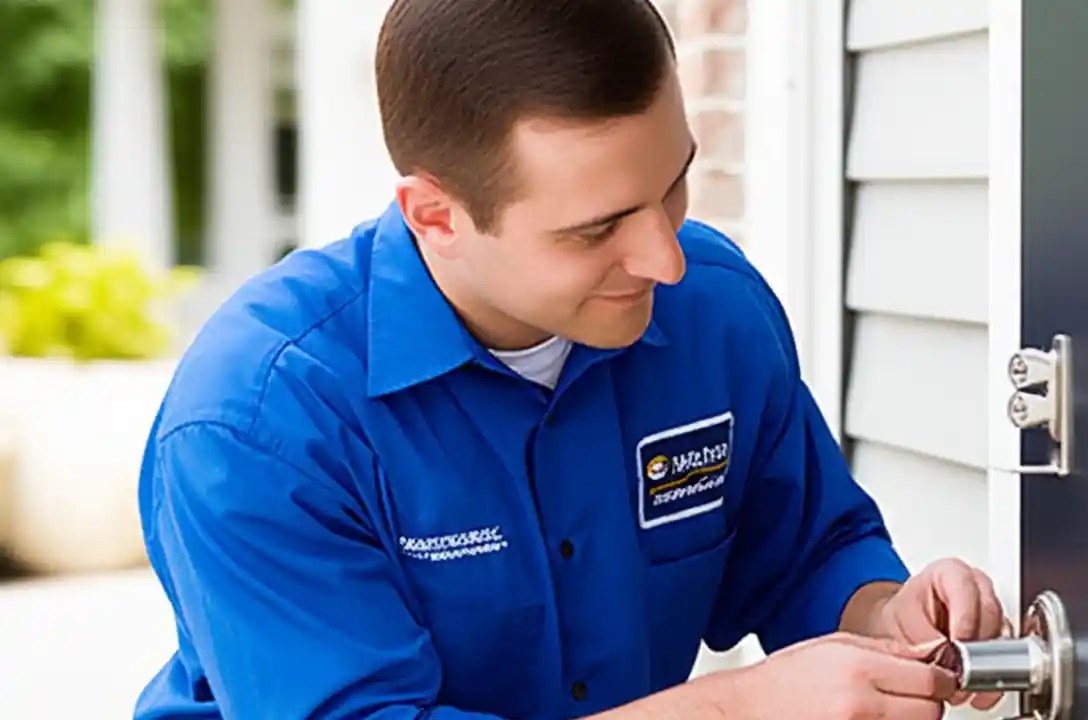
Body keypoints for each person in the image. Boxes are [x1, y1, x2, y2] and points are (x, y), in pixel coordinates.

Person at [134, 1, 1008, 718]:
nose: (665, 258)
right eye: (597, 229)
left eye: (673, 185)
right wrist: (734, 710)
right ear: (434, 215)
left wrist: (887, 615)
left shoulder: (713, 308)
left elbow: (808, 556)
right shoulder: (258, 419)